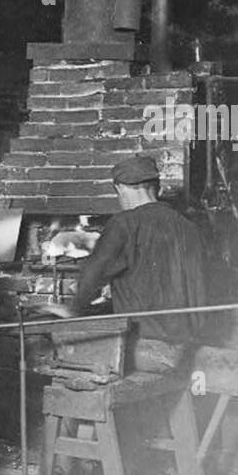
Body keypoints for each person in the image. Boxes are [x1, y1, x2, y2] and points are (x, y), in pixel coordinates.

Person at [60, 154, 208, 371]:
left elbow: (90, 280)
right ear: (155, 188)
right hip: (189, 349)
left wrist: (73, 310)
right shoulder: (190, 228)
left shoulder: (125, 223)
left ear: (120, 188)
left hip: (148, 350)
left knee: (69, 356)